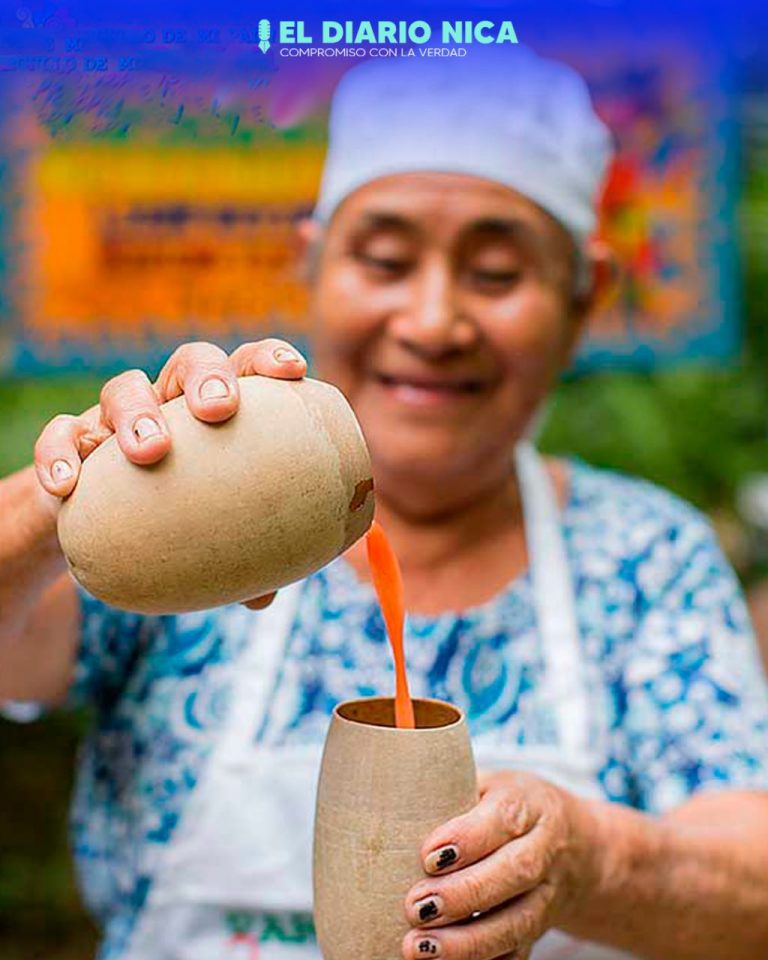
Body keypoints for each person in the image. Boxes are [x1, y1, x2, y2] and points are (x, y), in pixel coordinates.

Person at [2, 48, 768, 960]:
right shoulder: (188, 543)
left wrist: (587, 860)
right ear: (313, 265)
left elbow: (751, 886)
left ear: (583, 296)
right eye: (386, 259)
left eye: (494, 273)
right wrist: (63, 503)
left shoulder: (647, 559)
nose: (433, 322)